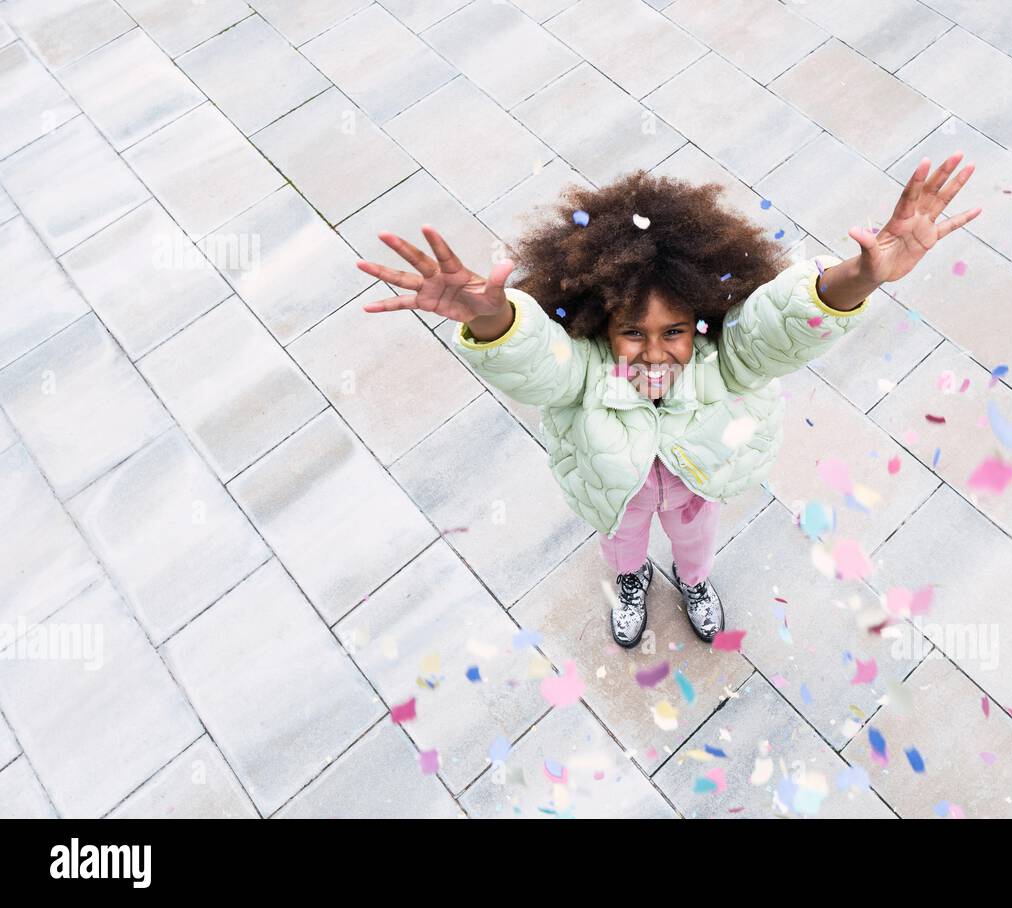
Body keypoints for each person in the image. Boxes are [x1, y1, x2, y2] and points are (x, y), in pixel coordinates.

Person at [356, 155, 980, 648]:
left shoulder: (728, 357)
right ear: (599, 325)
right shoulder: (583, 369)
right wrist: (495, 321)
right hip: (614, 489)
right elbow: (537, 365)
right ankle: (632, 582)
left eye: (673, 331)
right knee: (621, 545)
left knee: (696, 543)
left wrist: (862, 276)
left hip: (696, 483)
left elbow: (781, 323)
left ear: (704, 316)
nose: (654, 352)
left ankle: (694, 582)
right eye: (632, 331)